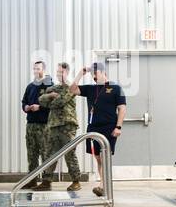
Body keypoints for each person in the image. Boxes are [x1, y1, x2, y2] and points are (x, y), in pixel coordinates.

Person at [71, 63, 127, 197]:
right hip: (93, 128)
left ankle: (103, 185)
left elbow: (122, 108)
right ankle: (103, 182)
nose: (93, 77)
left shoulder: (115, 88)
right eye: (92, 75)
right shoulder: (90, 89)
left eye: (95, 74)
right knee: (98, 158)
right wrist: (80, 73)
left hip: (109, 128)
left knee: (104, 156)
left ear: (102, 72)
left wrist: (118, 127)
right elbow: (72, 90)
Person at [37, 62, 83, 192]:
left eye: (61, 72)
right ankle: (46, 181)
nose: (59, 74)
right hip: (54, 125)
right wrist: (50, 96)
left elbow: (60, 101)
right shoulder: (54, 88)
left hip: (67, 126)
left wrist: (51, 100)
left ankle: (76, 181)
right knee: (49, 154)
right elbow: (41, 100)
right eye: (57, 72)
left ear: (67, 72)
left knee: (69, 154)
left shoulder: (71, 87)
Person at [21, 61, 54, 187]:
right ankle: (32, 179)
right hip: (31, 125)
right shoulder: (30, 86)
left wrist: (39, 107)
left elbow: (53, 104)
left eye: (38, 68)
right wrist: (26, 107)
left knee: (45, 152)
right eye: (34, 68)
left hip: (44, 125)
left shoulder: (49, 85)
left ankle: (47, 181)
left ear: (43, 69)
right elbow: (24, 101)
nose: (35, 70)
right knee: (32, 153)